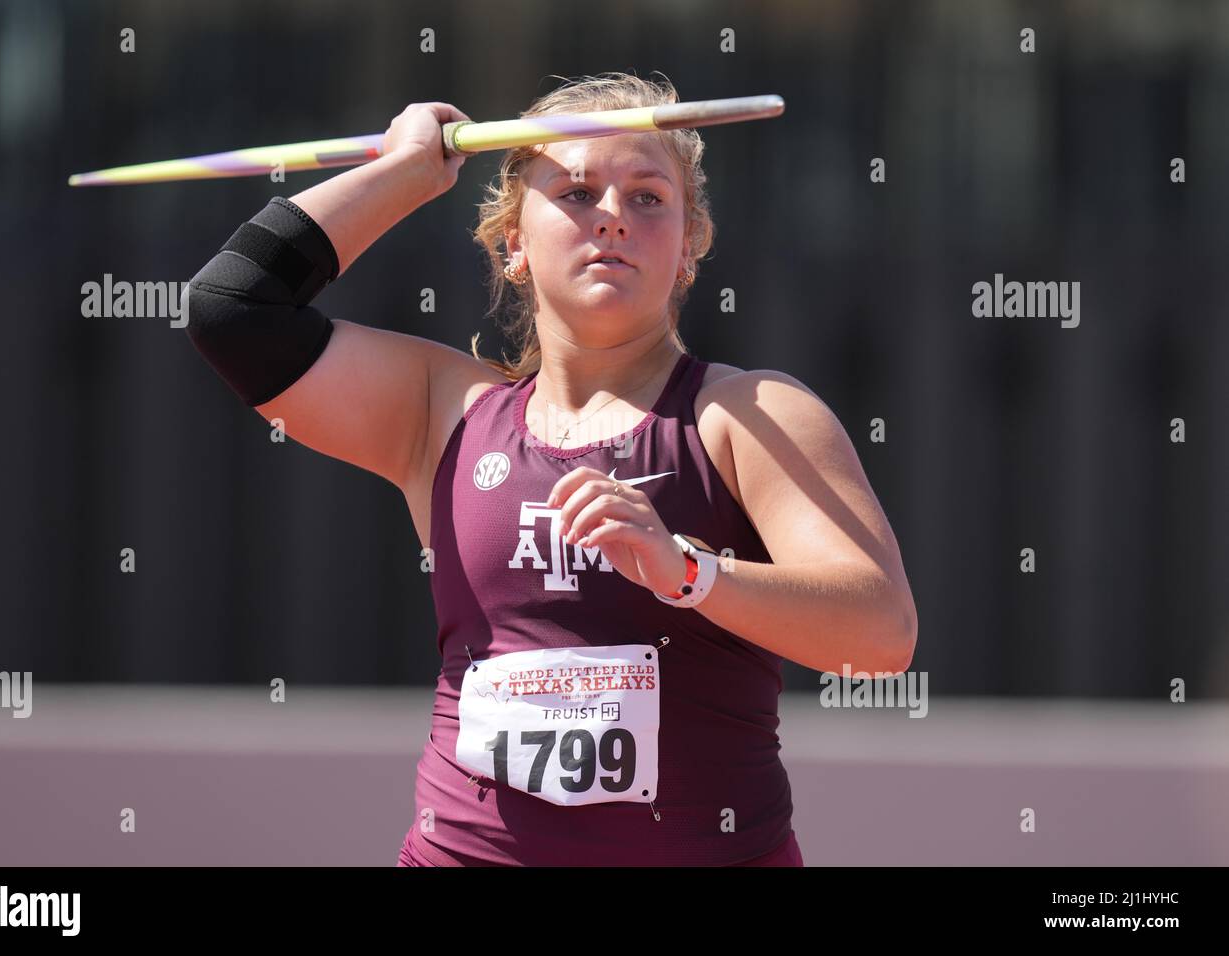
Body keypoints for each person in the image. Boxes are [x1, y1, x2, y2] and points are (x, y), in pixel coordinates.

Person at [184, 72, 917, 867]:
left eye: (647, 198)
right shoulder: (444, 412)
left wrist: (686, 575)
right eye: (574, 192)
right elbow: (235, 310)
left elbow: (880, 638)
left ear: (689, 245)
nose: (611, 218)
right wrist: (402, 174)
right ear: (514, 242)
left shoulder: (746, 413)